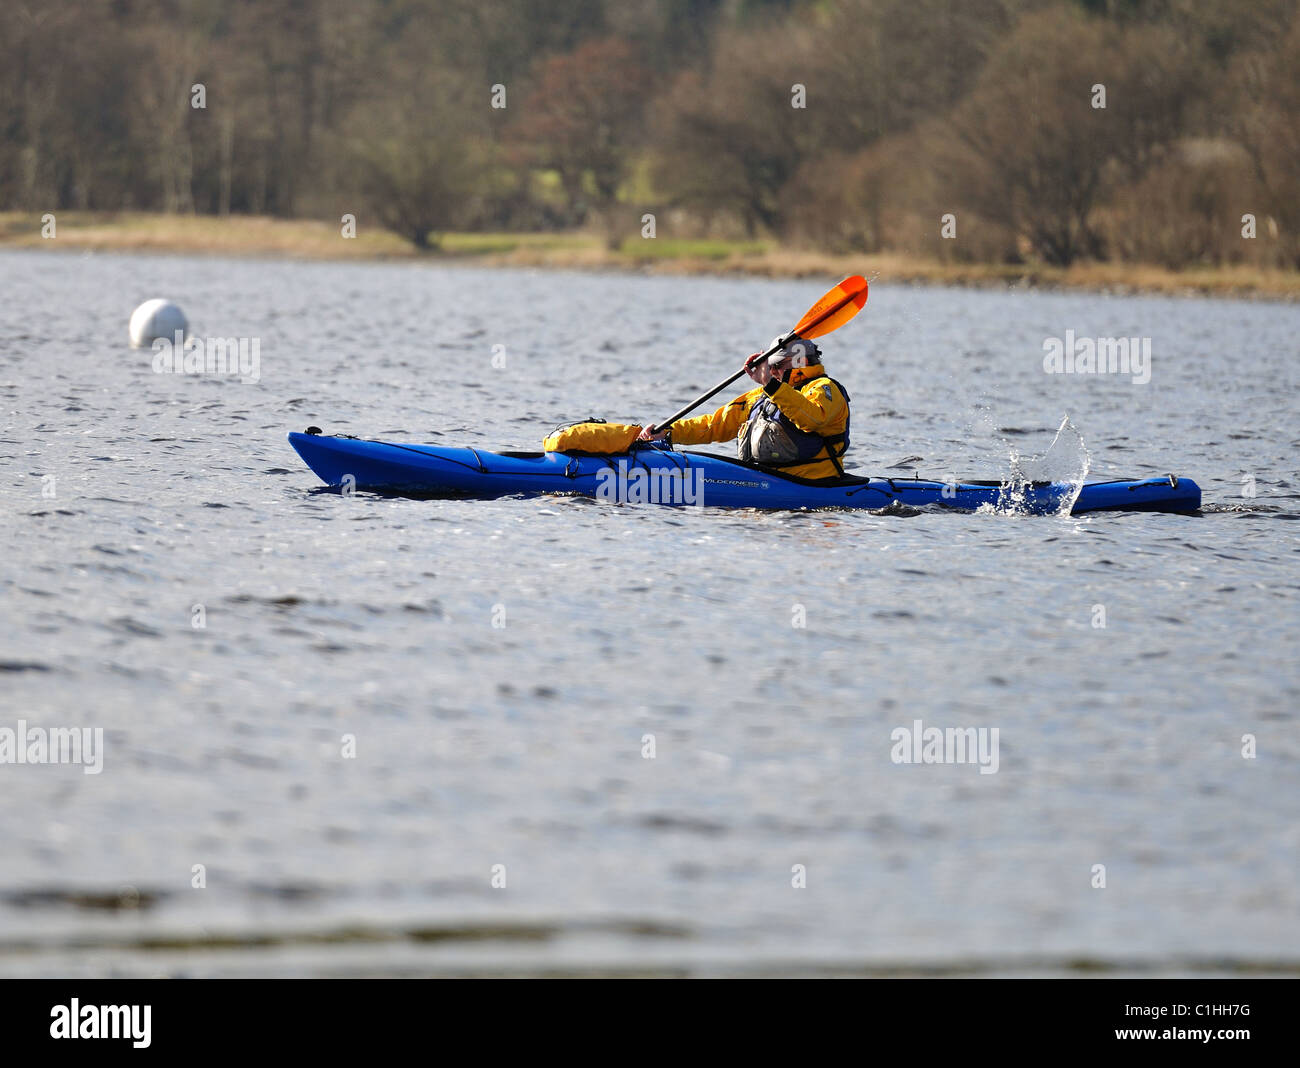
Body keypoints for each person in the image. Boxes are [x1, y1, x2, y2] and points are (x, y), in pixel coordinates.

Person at [637, 337, 852, 480]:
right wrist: (669, 432)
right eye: (770, 367)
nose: (772, 371)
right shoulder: (762, 396)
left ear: (799, 362)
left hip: (812, 484)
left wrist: (770, 384)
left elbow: (812, 418)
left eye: (776, 366)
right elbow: (715, 425)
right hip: (764, 479)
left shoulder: (825, 389)